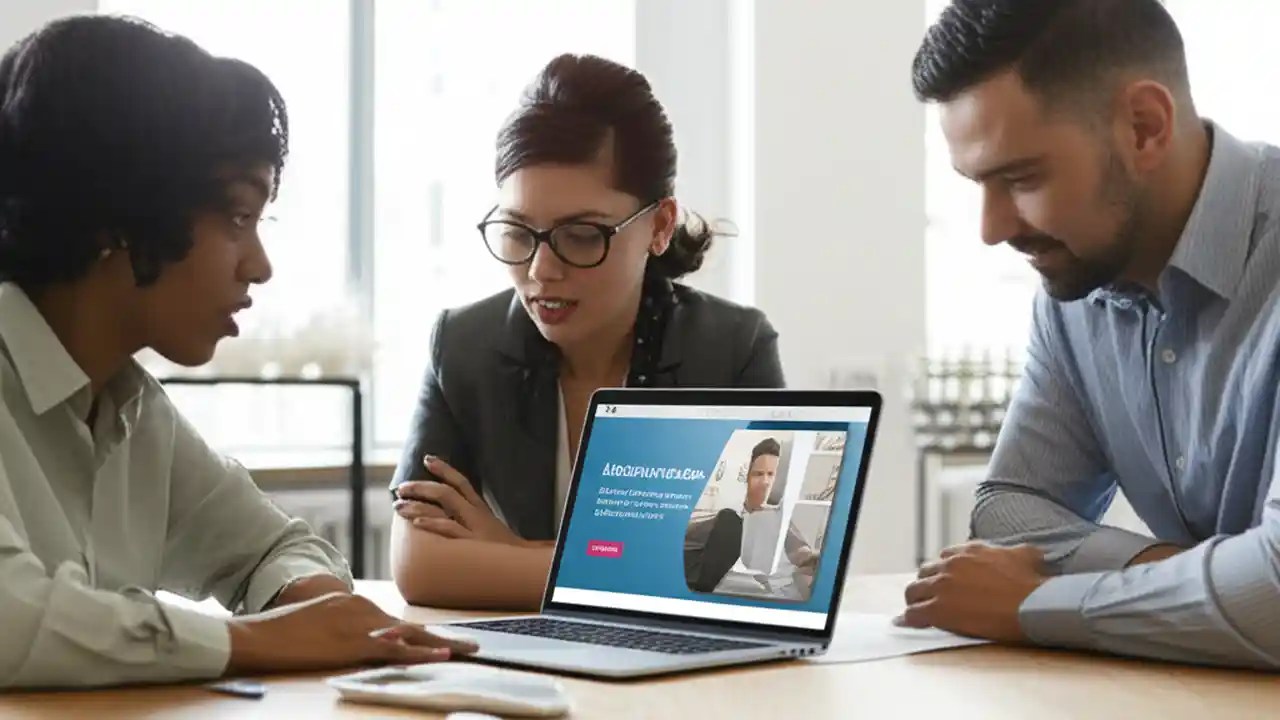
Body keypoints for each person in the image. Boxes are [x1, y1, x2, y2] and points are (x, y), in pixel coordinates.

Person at [0, 15, 474, 690]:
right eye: (238, 218)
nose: (259, 265)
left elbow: (279, 547)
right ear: (121, 215)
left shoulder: (132, 409)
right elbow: (12, 621)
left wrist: (317, 608)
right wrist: (254, 640)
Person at [902, 0, 1280, 670]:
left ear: (1144, 126)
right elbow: (1011, 508)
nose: (990, 229)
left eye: (1020, 178)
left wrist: (1031, 607)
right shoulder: (1078, 279)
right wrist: (1171, 572)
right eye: (977, 184)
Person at [390, 54, 785, 611]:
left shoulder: (731, 349)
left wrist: (509, 553)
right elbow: (421, 566)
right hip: (517, 669)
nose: (540, 271)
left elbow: (746, 570)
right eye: (517, 231)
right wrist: (611, 563)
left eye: (581, 236)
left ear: (660, 225)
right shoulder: (463, 345)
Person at [684, 438, 819, 594]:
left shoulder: (779, 522)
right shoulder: (727, 515)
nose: (765, 482)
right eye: (758, 474)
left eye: (771, 475)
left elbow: (802, 553)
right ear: (747, 477)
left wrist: (812, 560)